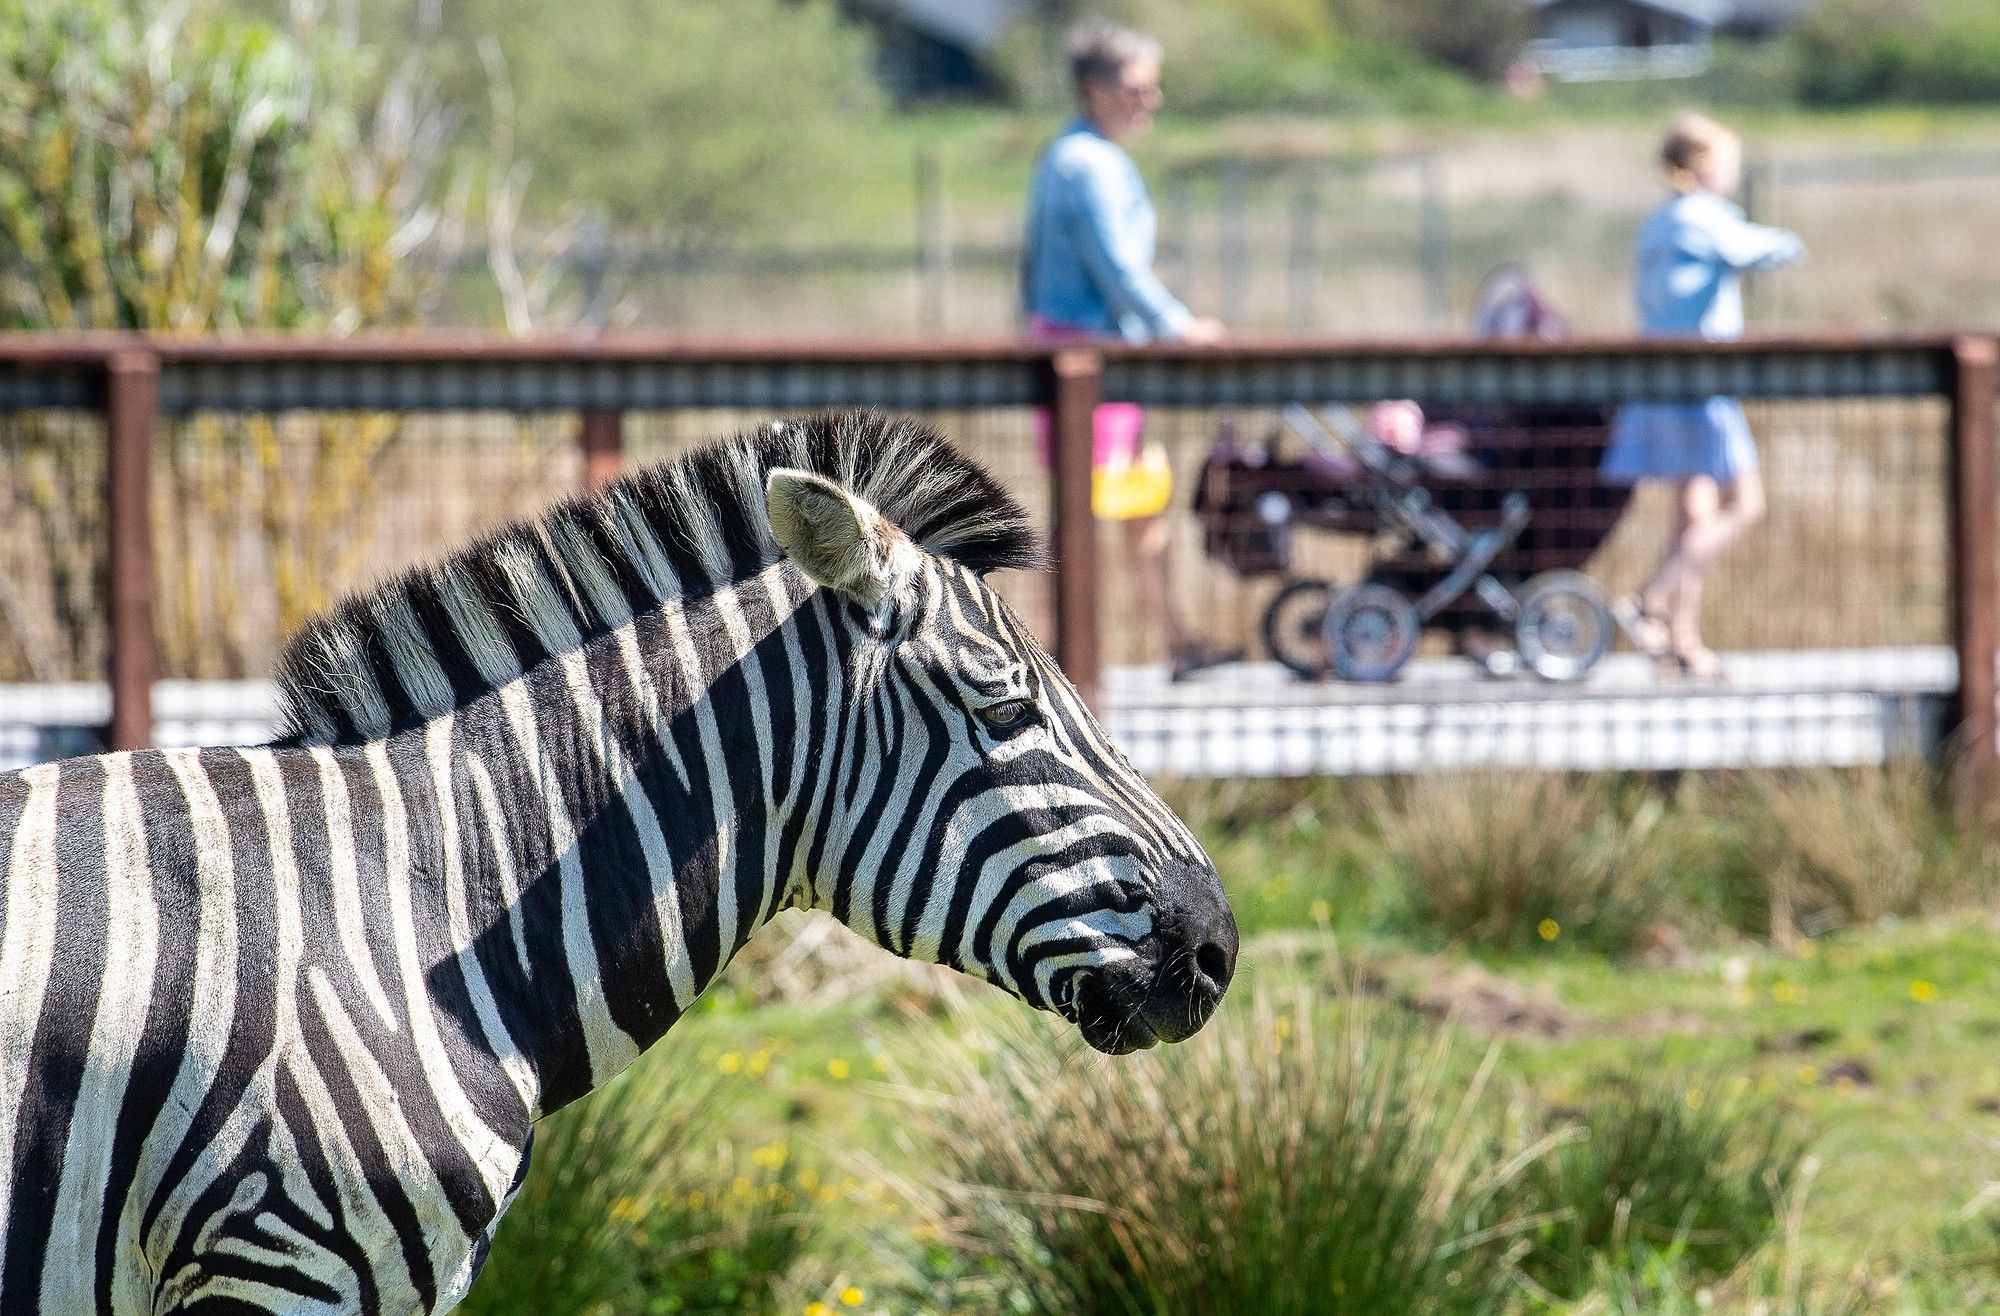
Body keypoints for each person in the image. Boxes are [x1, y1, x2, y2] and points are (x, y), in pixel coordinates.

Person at [1020, 19, 1236, 681]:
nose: (1152, 99)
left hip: (1102, 363)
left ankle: (1174, 639)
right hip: (1088, 365)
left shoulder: (1079, 156)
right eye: (1139, 86)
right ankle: (1051, 656)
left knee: (1139, 504)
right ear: (1096, 88)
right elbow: (1118, 269)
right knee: (1082, 520)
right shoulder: (1087, 165)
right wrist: (1178, 327)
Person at [1603, 112, 1803, 679]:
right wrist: (1790, 241)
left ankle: (1681, 643)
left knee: (1694, 515)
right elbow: (1750, 250)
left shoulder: (1658, 222)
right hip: (1700, 385)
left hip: (1668, 381)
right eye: (1727, 162)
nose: (1734, 173)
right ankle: (1648, 601)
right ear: (1700, 165)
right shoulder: (1699, 219)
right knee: (1745, 504)